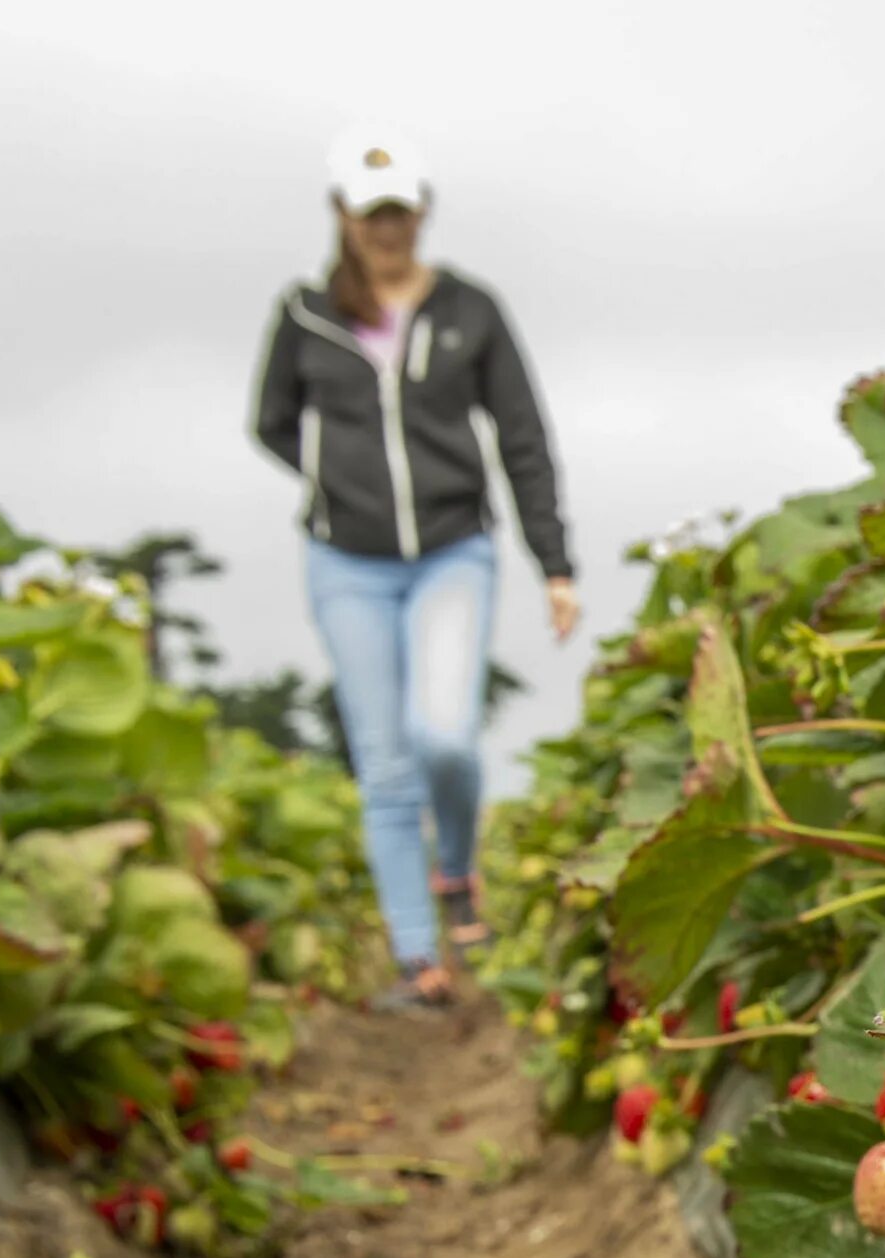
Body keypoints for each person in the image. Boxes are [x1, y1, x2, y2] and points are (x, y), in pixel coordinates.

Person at [252, 126, 580, 1009]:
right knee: (385, 765)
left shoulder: (471, 310)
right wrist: (335, 482)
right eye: (371, 214)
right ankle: (416, 958)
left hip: (451, 550)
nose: (387, 228)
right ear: (344, 217)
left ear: (422, 212)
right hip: (344, 561)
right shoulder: (304, 315)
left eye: (399, 212)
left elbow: (521, 438)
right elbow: (271, 421)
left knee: (444, 733)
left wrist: (554, 562)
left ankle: (457, 869)